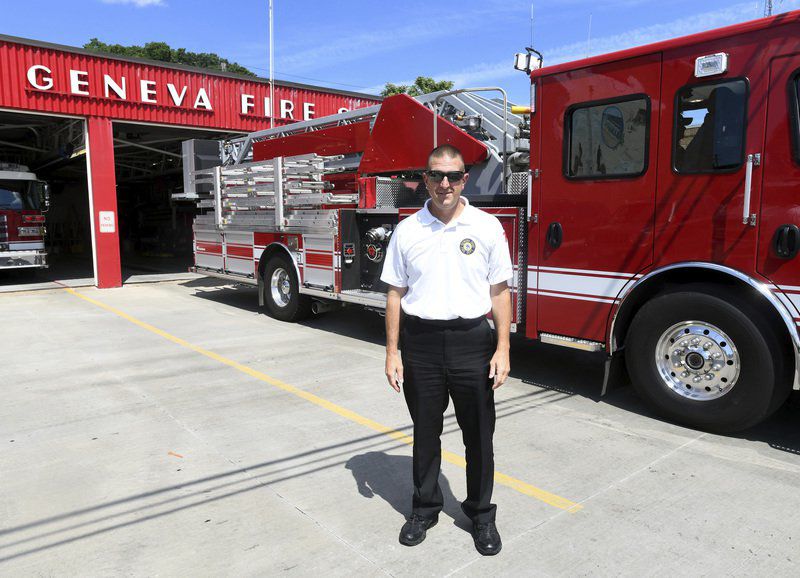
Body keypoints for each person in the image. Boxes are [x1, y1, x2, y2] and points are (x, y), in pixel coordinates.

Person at [380, 144, 513, 556]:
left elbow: (501, 291)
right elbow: (394, 294)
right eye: (436, 175)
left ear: (464, 180)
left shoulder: (487, 227)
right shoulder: (408, 229)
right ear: (424, 178)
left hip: (473, 342)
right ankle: (424, 509)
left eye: (453, 176)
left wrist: (503, 348)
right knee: (425, 433)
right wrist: (392, 352)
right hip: (420, 344)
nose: (444, 184)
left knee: (479, 436)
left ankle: (481, 515)